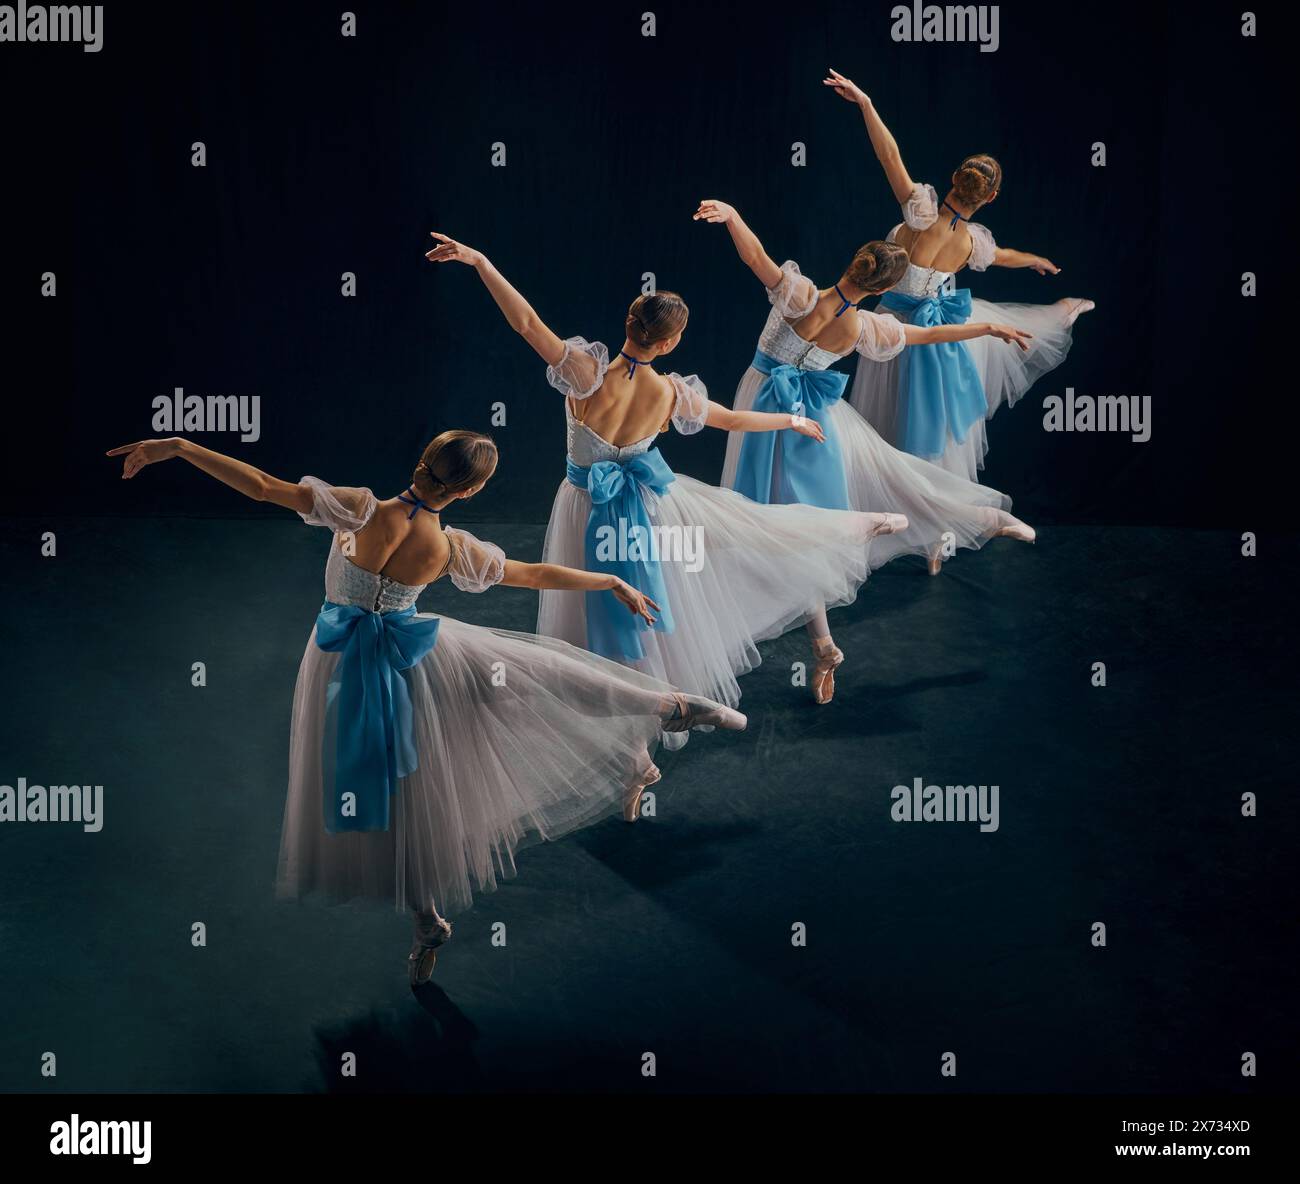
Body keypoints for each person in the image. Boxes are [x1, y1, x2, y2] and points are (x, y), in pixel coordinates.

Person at [106, 430, 745, 986]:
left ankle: (426, 918)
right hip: (415, 655)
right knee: (537, 679)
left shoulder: (358, 509)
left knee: (394, 795)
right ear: (466, 494)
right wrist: (606, 579)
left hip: (343, 663)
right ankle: (667, 704)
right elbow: (526, 573)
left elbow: (264, 487)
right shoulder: (448, 546)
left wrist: (181, 447)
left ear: (421, 464)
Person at [426, 232, 910, 709]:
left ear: (629, 322)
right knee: (740, 536)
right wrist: (792, 419)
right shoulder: (671, 395)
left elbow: (527, 323)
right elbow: (733, 419)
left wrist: (481, 261)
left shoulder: (583, 375)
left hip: (582, 503)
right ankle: (856, 528)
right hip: (650, 505)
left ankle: (618, 703)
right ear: (671, 343)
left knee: (593, 597)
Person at [699, 199, 1036, 584]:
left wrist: (733, 216)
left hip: (768, 396)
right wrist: (988, 328)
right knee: (888, 479)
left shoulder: (800, 296)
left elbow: (755, 256)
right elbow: (930, 334)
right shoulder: (862, 329)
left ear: (856, 261)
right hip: (811, 412)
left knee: (862, 482)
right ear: (887, 287)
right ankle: (777, 574)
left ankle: (980, 519)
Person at [825, 67, 1094, 480]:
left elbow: (889, 155)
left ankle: (900, 504)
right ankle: (1062, 311)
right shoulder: (972, 243)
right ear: (991, 198)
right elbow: (1004, 256)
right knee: (935, 417)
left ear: (953, 179)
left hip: (892, 326)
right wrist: (1036, 260)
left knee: (891, 420)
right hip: (933, 331)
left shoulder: (920, 212)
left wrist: (866, 102)